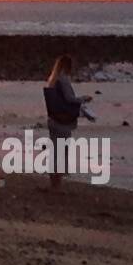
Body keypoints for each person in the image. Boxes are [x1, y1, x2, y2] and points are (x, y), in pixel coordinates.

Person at [44, 54, 93, 188]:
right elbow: (69, 98)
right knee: (62, 151)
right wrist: (84, 98)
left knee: (55, 151)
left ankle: (53, 183)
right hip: (62, 121)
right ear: (67, 66)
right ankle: (57, 185)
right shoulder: (63, 80)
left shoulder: (52, 80)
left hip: (53, 119)